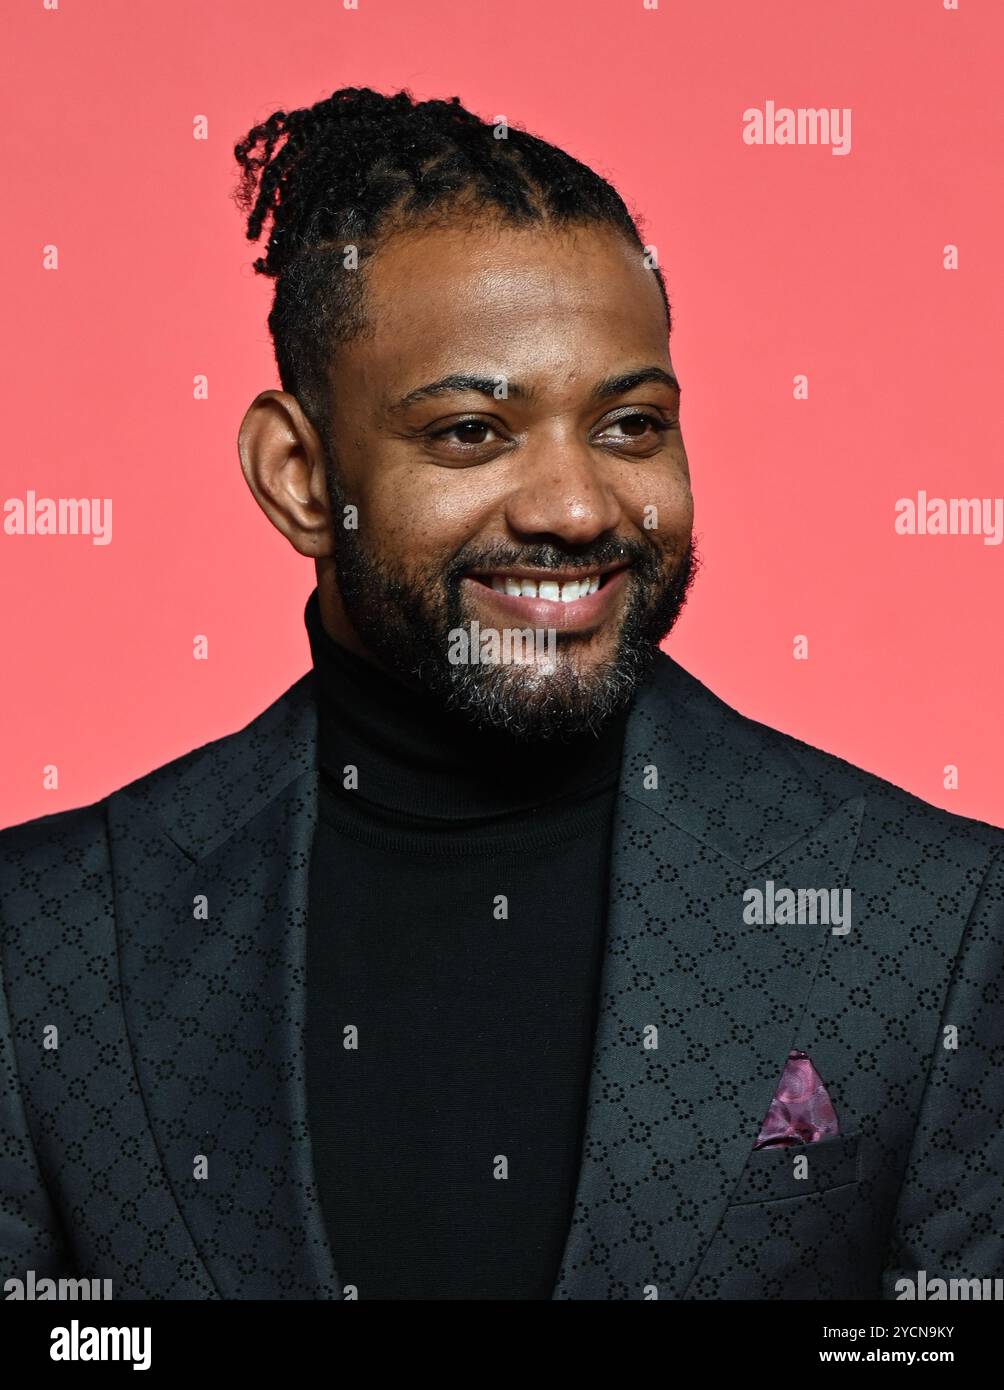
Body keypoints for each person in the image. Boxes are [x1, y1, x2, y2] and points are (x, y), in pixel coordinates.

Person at [1, 87, 1001, 1302]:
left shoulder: (935, 920)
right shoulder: (44, 940)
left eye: (629, 424)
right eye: (473, 432)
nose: (575, 508)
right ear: (300, 476)